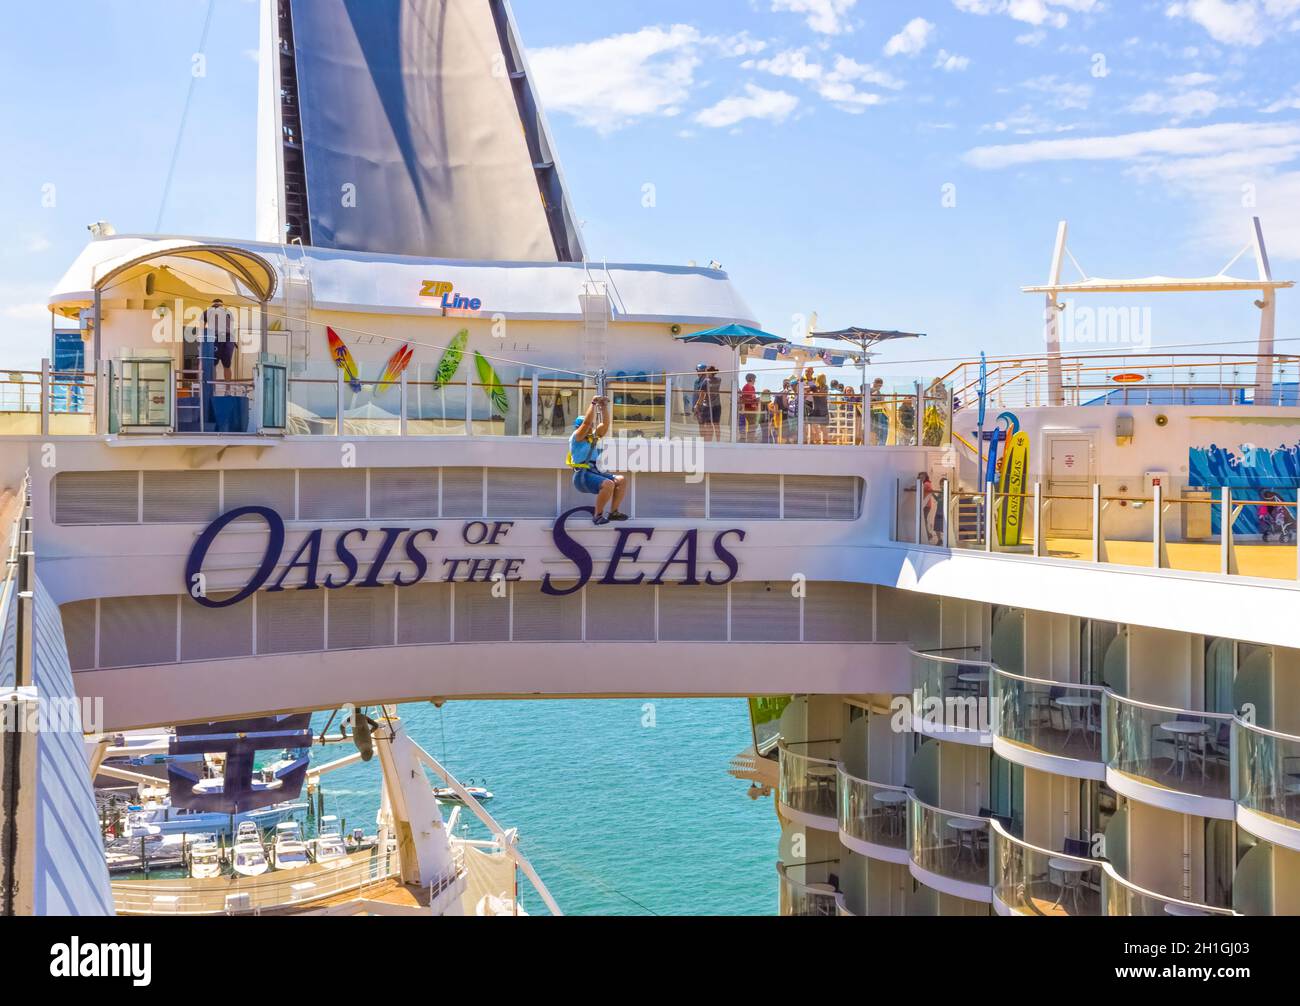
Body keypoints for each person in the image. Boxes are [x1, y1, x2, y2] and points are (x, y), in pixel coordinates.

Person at [567, 396, 628, 526]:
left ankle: (613, 512)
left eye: (590, 429)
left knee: (621, 480)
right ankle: (597, 515)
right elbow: (587, 423)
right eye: (587, 429)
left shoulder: (592, 439)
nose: (590, 430)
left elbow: (605, 425)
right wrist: (593, 403)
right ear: (578, 428)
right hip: (582, 476)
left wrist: (604, 406)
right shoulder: (576, 438)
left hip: (593, 472)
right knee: (608, 484)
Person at [203, 298, 238, 381]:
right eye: (215, 305)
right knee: (213, 363)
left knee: (227, 364)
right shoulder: (207, 312)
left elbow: (231, 327)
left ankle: (228, 388)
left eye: (219, 306)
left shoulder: (227, 312)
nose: (217, 307)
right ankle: (212, 388)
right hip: (215, 338)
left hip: (227, 338)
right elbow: (202, 327)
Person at [692, 363, 716, 441]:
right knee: (701, 425)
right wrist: (695, 406)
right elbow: (695, 394)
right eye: (698, 371)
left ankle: (708, 442)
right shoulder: (696, 381)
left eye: (699, 371)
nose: (698, 373)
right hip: (698, 407)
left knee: (708, 425)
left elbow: (704, 394)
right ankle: (704, 441)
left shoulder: (707, 381)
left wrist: (697, 405)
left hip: (706, 407)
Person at [740, 373, 760, 442]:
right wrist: (754, 400)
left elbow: (752, 398)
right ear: (751, 379)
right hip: (748, 409)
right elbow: (743, 399)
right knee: (752, 425)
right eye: (754, 379)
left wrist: (756, 401)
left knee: (753, 425)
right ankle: (750, 440)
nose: (755, 381)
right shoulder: (746, 387)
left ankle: (751, 439)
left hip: (753, 409)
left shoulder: (752, 387)